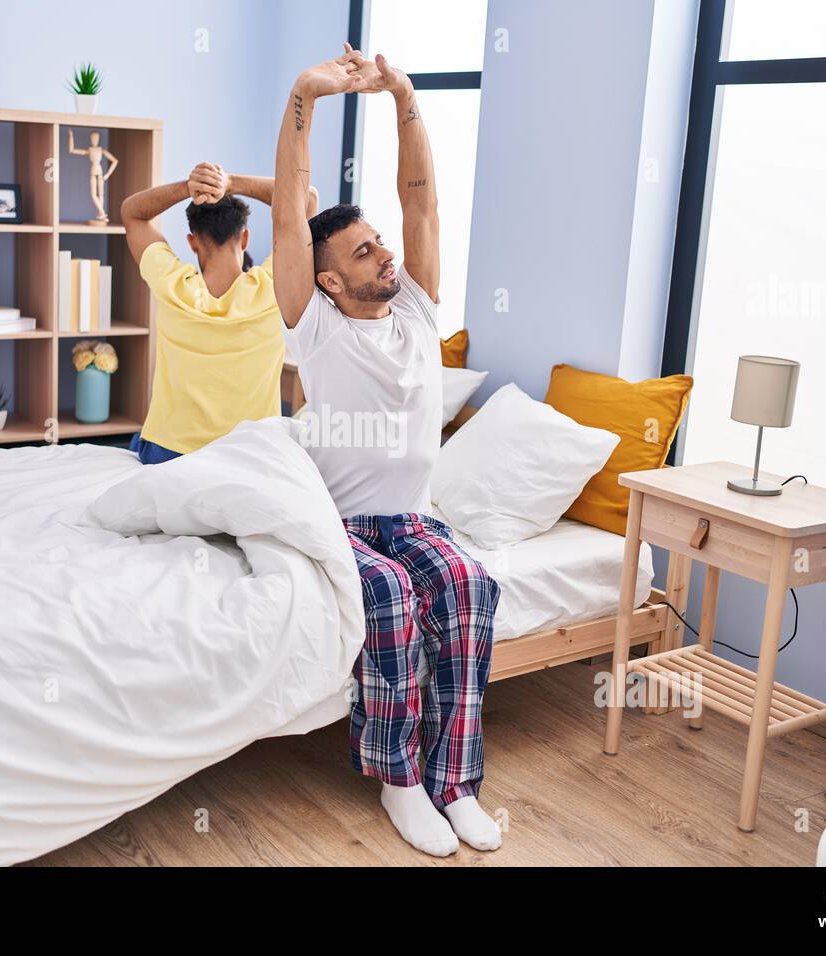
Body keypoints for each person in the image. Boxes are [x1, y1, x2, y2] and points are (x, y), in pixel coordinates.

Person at [272, 45, 502, 856]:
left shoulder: (415, 310)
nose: (384, 254)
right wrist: (306, 96)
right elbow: (285, 218)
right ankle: (399, 783)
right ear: (328, 279)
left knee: (471, 585)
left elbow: (422, 201)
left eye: (377, 243)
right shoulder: (316, 322)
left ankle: (458, 785)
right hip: (343, 524)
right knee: (395, 602)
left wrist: (402, 93)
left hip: (413, 517)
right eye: (363, 252)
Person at [120, 164, 318, 464]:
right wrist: (231, 182)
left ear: (192, 241)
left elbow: (132, 212)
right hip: (251, 453)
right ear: (245, 238)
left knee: (138, 442)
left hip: (168, 453)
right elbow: (309, 198)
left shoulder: (173, 287)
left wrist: (190, 187)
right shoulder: (274, 286)